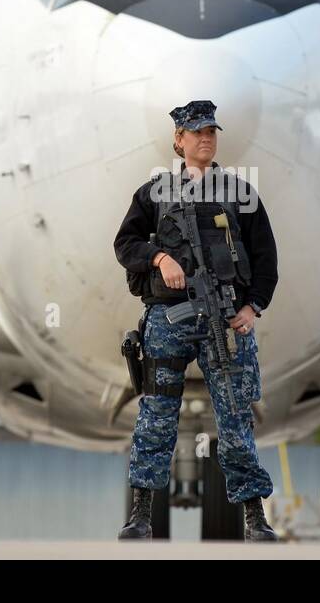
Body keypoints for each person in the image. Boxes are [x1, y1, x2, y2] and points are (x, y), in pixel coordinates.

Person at [112, 99, 279, 542]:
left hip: (226, 318)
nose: (206, 138)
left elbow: (265, 258)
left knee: (235, 418)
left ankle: (255, 518)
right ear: (179, 139)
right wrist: (159, 256)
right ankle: (141, 516)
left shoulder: (239, 194)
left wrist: (252, 307)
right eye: (198, 131)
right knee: (155, 415)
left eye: (212, 131)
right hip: (170, 316)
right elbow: (125, 243)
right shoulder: (155, 193)